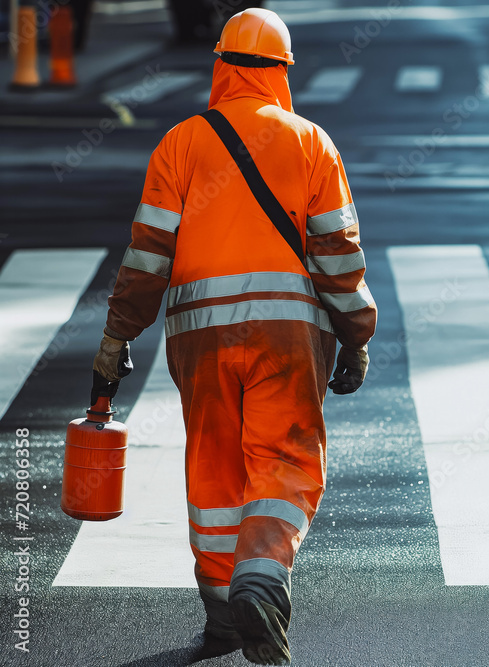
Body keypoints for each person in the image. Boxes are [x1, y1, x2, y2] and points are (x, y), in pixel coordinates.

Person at [91, 8, 377, 665]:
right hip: (287, 336)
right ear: (282, 72)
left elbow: (146, 256)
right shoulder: (312, 143)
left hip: (200, 338)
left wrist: (116, 334)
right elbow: (338, 254)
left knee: (216, 471)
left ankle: (224, 619)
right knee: (284, 458)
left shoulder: (179, 144)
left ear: (220, 67)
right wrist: (356, 333)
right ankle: (263, 575)